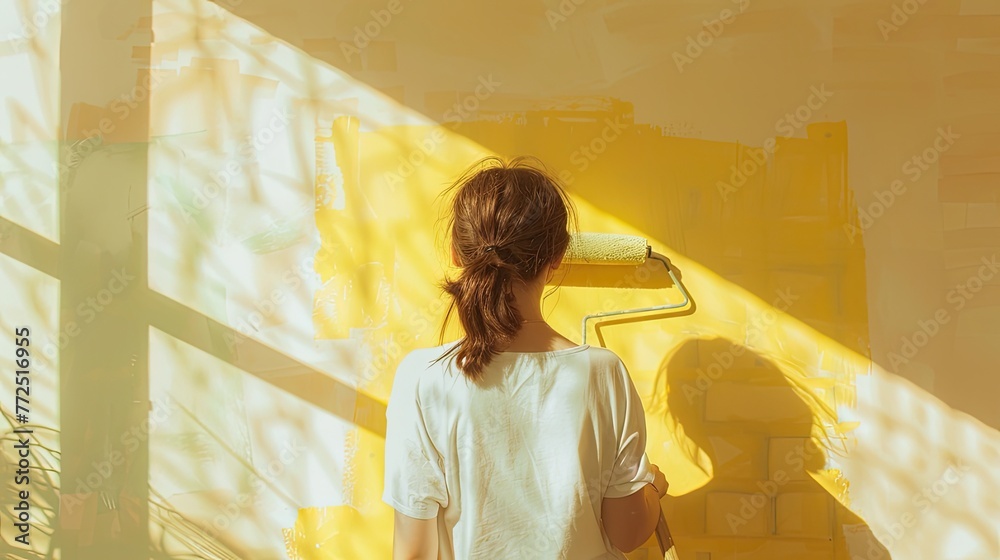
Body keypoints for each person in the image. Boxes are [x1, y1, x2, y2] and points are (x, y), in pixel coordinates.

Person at [382, 156, 668, 559]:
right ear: (557, 257)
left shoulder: (422, 377)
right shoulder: (603, 373)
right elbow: (627, 532)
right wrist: (653, 488)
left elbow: (413, 553)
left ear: (456, 253)